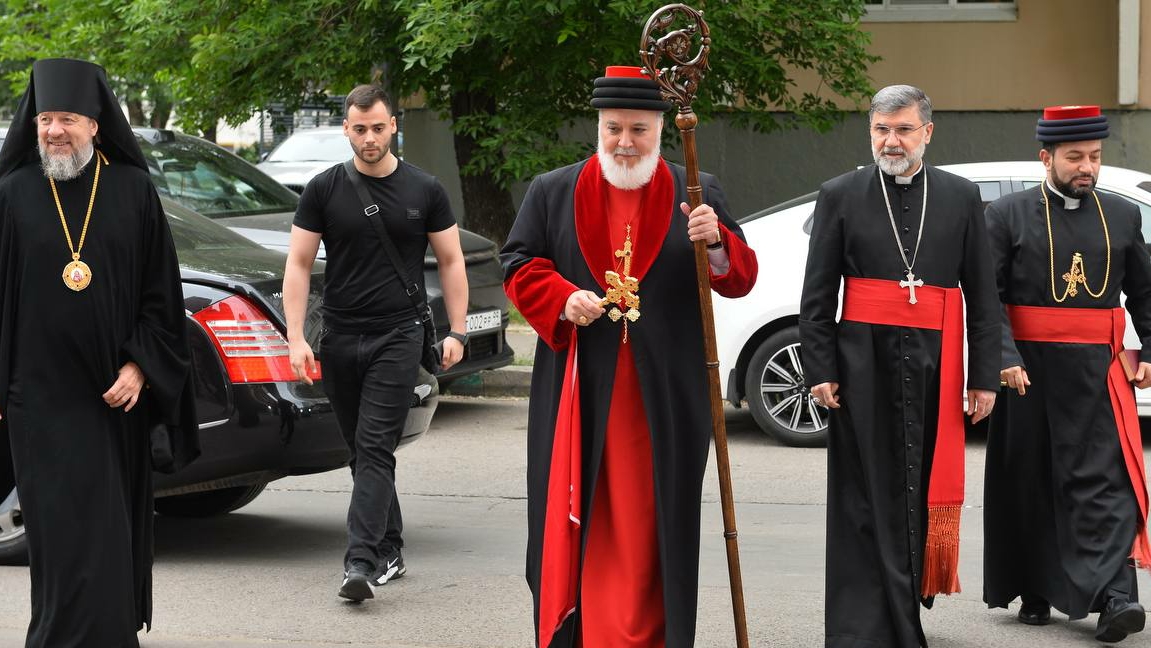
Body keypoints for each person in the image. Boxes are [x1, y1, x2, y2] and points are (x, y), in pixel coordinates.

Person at [501, 65, 758, 648]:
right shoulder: (553, 190)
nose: (624, 141)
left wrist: (716, 241)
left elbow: (739, 277)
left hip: (665, 392)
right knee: (580, 513)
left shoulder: (697, 188)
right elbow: (519, 265)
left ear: (660, 130)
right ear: (598, 125)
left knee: (654, 521)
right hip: (581, 389)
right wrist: (563, 299)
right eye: (613, 127)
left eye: (638, 129)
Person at [0, 58, 197, 647]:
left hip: (113, 400)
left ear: (94, 124)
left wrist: (141, 365)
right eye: (44, 119)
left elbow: (162, 296)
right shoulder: (11, 193)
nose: (53, 131)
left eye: (66, 119)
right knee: (58, 538)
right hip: (36, 400)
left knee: (109, 533)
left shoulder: (133, 191)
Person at [799, 84, 1000, 648]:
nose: (891, 141)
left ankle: (904, 609)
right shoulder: (840, 194)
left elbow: (983, 298)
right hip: (860, 364)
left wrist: (983, 376)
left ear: (927, 132)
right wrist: (821, 368)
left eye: (903, 129)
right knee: (862, 494)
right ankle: (861, 626)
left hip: (936, 367)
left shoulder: (961, 197)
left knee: (915, 491)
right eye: (881, 130)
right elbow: (817, 296)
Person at [283, 83, 468, 602]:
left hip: (398, 334)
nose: (369, 137)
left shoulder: (424, 189)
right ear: (346, 128)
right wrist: (297, 337)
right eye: (359, 129)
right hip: (339, 336)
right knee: (362, 452)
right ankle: (390, 547)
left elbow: (451, 260)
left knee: (374, 445)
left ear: (393, 127)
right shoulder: (322, 189)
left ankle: (360, 561)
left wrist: (456, 329)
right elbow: (297, 266)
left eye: (378, 127)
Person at [982, 105, 1151, 643]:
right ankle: (1035, 589)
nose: (1087, 167)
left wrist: (1149, 348)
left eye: (1095, 158)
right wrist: (1003, 356)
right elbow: (988, 298)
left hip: (1096, 374)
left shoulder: (1123, 216)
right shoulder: (1006, 214)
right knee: (1029, 482)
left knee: (1104, 485)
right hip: (1025, 373)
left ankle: (1117, 598)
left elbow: (1145, 292)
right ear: (1046, 157)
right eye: (1075, 157)